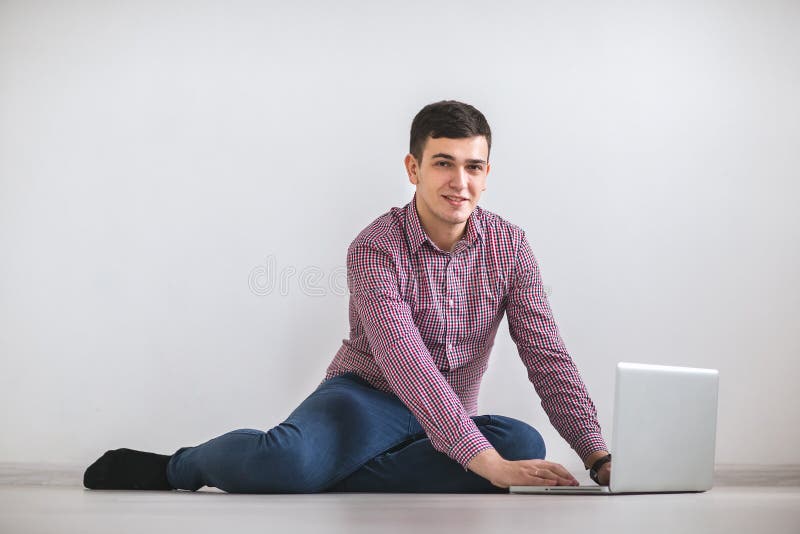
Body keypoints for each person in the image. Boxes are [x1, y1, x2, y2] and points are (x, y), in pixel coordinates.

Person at [83, 100, 612, 493]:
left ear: (487, 174)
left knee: (524, 445)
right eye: (443, 163)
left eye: (473, 166)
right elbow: (406, 363)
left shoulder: (511, 246)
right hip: (366, 398)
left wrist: (598, 456)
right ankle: (178, 465)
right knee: (283, 464)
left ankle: (333, 473)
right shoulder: (374, 247)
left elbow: (546, 355)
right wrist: (485, 462)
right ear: (413, 169)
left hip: (450, 412)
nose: (460, 181)